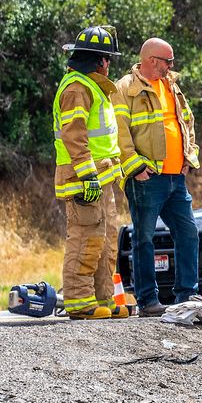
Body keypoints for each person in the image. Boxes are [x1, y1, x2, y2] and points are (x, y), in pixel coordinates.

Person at [113, 37, 202, 316]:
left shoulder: (171, 85)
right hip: (146, 179)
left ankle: (187, 295)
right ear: (152, 60)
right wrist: (136, 167)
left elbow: (187, 122)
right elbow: (120, 134)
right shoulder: (125, 88)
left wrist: (189, 156)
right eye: (168, 61)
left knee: (188, 233)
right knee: (144, 239)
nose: (171, 66)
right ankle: (148, 301)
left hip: (176, 178)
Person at [52, 25, 125, 320]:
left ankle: (102, 299)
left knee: (105, 241)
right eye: (108, 59)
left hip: (101, 179)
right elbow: (74, 135)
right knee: (85, 239)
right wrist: (87, 175)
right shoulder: (76, 89)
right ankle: (79, 301)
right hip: (83, 180)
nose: (109, 65)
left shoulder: (92, 87)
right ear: (101, 61)